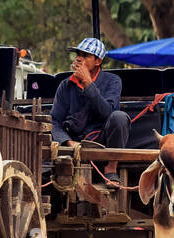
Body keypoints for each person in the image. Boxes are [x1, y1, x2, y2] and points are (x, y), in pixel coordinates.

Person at [51, 37, 130, 184]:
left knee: (119, 117)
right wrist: (68, 142)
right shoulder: (65, 85)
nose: (79, 59)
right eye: (78, 55)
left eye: (85, 56)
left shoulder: (113, 81)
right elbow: (54, 120)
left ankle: (111, 168)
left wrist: (88, 83)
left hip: (102, 142)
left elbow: (107, 113)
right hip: (74, 146)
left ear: (98, 61)